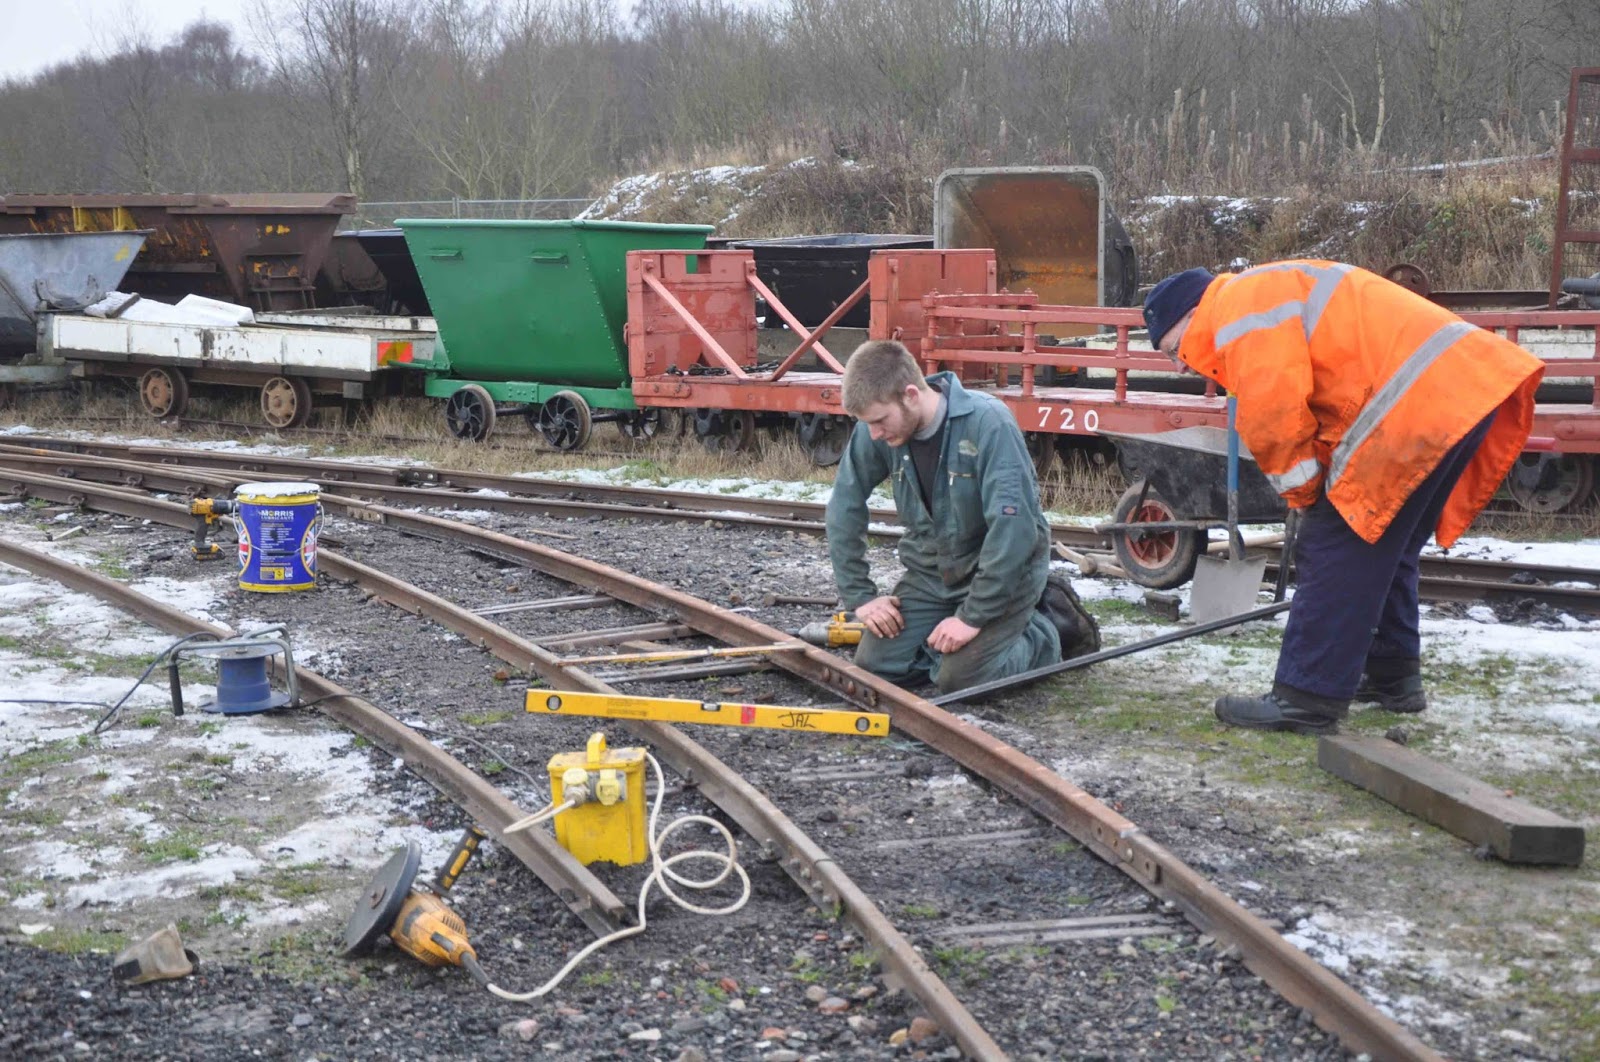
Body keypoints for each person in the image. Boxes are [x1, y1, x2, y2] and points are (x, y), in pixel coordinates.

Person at [1142, 261, 1545, 735]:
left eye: (1173, 349)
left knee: (1336, 542)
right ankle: (1393, 677)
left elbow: (1274, 412)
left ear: (1189, 315)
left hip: (1420, 401)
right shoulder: (1261, 291)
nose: (1181, 364)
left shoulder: (1237, 311)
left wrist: (1305, 495)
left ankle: (1305, 697)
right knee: (1383, 548)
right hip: (1458, 390)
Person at [825, 340, 1100, 694]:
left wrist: (973, 617)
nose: (874, 433)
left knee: (961, 680)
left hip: (1003, 574)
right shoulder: (879, 427)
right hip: (932, 575)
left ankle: (1051, 629)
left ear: (910, 394)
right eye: (868, 424)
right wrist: (861, 596)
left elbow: (1013, 530)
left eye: (879, 421)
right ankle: (955, 647)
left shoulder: (987, 423)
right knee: (877, 666)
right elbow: (844, 505)